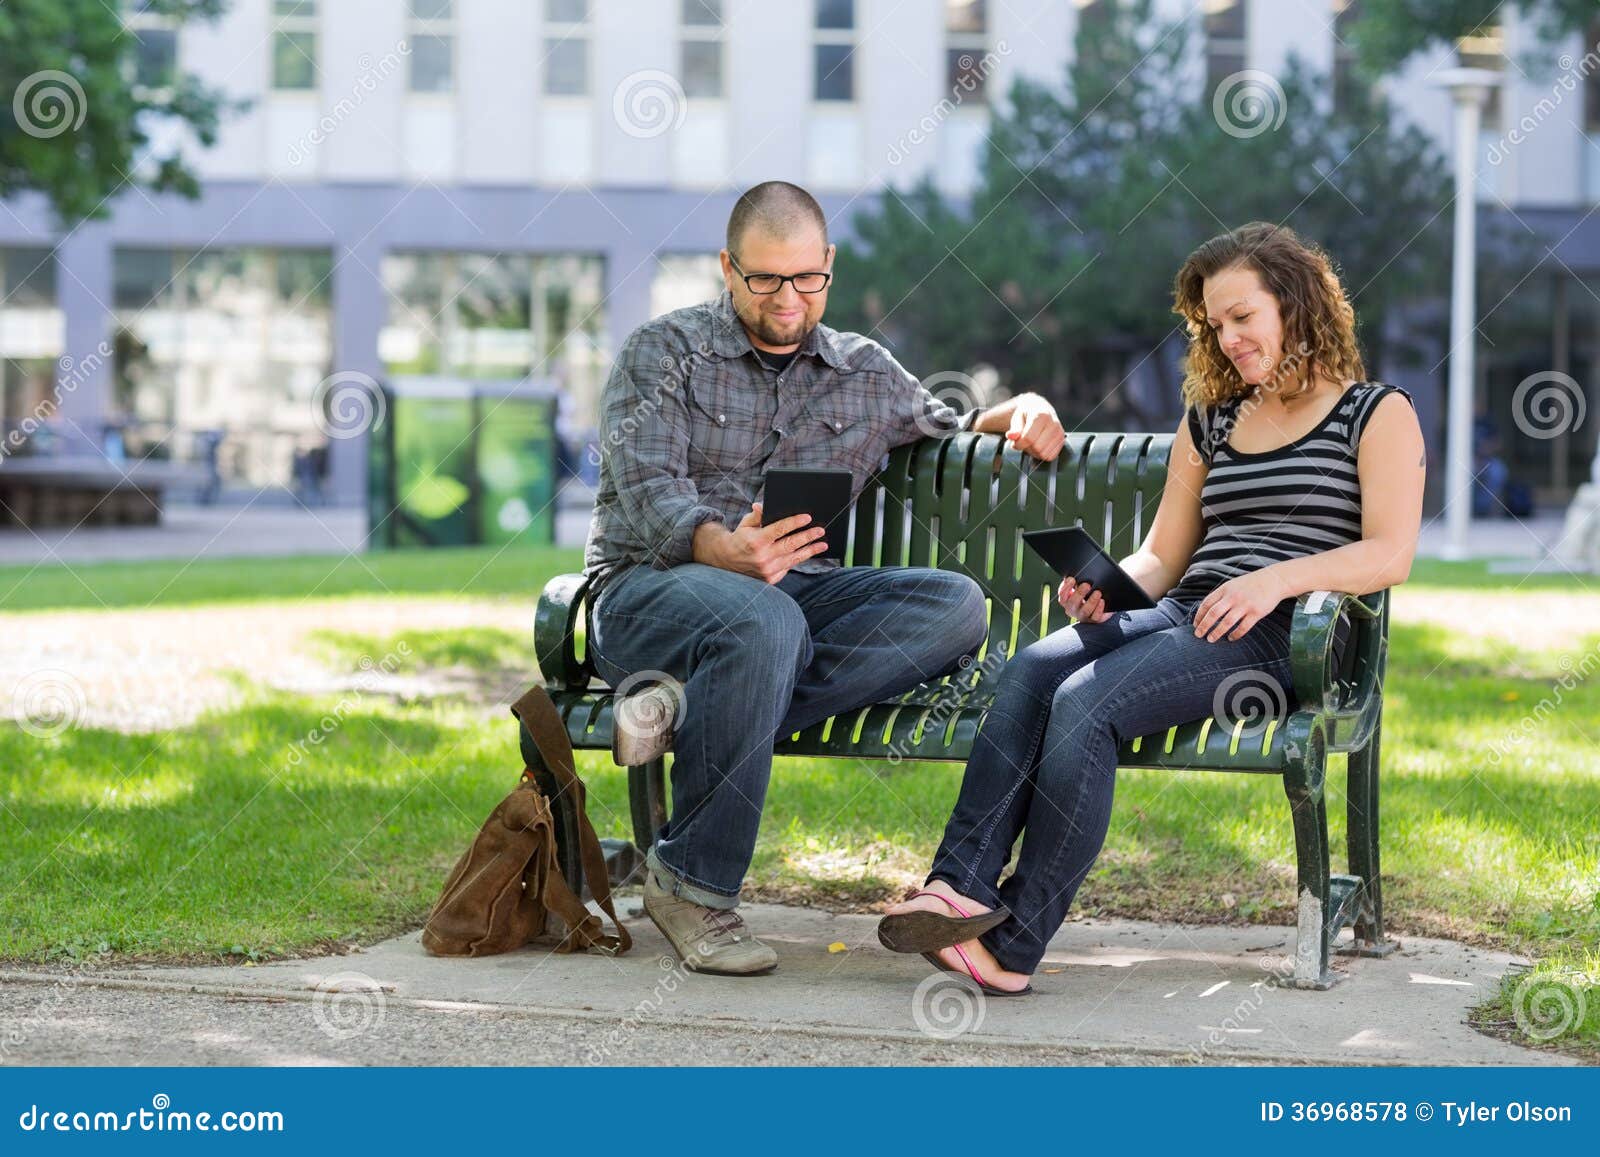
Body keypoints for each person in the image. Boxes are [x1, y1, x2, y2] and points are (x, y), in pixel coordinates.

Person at [878, 221, 1426, 995]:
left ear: (1296, 305)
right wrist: (1107, 585)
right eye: (1214, 324)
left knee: (1087, 701)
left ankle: (1013, 943)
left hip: (1289, 638)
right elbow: (1165, 558)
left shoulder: (1376, 413)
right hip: (1191, 615)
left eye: (1244, 317)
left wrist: (1275, 581)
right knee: (1037, 667)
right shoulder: (1214, 420)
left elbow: (1390, 552)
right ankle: (956, 888)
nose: (1228, 338)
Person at [584, 181, 1066, 976]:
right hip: (650, 591)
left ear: (829, 266)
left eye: (807, 278)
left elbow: (951, 426)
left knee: (953, 607)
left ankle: (694, 701)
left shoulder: (862, 371)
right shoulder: (663, 352)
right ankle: (692, 883)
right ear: (728, 270)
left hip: (789, 600)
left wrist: (1023, 406)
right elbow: (645, 491)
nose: (788, 298)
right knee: (761, 623)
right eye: (766, 279)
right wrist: (720, 547)